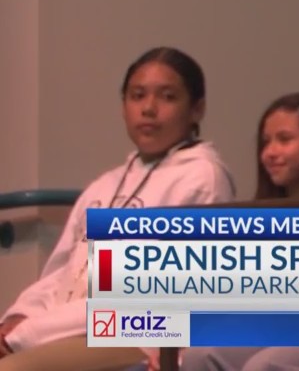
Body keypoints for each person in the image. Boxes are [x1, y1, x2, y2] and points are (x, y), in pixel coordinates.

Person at [0, 48, 235, 371]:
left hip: (142, 332)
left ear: (197, 109)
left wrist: (28, 333)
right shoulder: (104, 186)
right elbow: (62, 271)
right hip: (67, 327)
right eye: (137, 96)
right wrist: (20, 314)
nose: (149, 109)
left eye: (167, 97)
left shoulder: (202, 177)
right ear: (123, 106)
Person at [163, 92, 299, 371]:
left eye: (285, 140)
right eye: (266, 142)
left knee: (260, 365)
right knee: (198, 354)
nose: (270, 152)